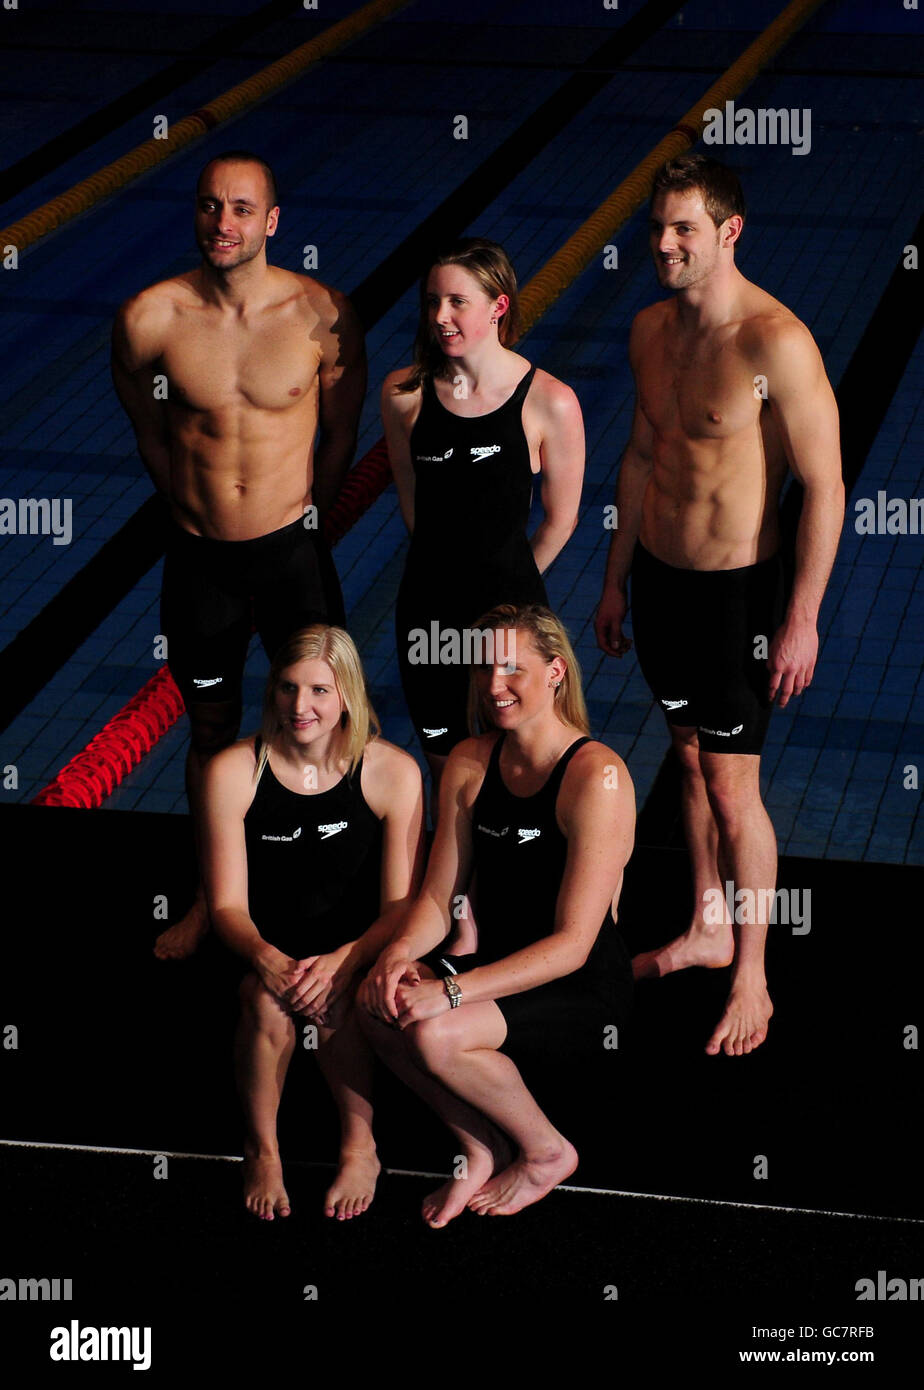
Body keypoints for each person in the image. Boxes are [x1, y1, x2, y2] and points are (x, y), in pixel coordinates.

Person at [595, 154, 844, 1057]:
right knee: (690, 762)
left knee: (736, 794)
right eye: (658, 227)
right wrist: (617, 576)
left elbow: (826, 486)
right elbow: (637, 456)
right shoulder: (650, 331)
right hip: (660, 583)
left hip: (739, 597)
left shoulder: (775, 342)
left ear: (729, 232)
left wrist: (802, 618)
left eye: (683, 230)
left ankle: (753, 975)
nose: (664, 244)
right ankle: (706, 924)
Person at [111, 150, 366, 959]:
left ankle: (335, 889)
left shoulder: (322, 314)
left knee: (325, 724)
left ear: (273, 220)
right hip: (200, 563)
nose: (224, 224)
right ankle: (213, 896)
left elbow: (341, 432)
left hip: (293, 554)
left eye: (242, 209)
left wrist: (307, 518)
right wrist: (189, 507)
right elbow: (150, 432)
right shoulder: (151, 319)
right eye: (210, 206)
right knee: (212, 733)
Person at [359, 604, 634, 1226]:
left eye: (513, 668)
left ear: (556, 672)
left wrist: (450, 992)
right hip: (495, 964)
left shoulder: (598, 776)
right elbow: (437, 898)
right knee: (376, 1005)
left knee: (434, 1031)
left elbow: (572, 945)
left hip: (580, 984)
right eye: (484, 669)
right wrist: (398, 959)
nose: (493, 685)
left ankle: (545, 1151)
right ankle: (481, 1145)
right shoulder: (471, 760)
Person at [201, 625, 425, 1220]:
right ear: (272, 691)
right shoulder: (233, 771)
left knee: (337, 1002)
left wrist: (347, 960)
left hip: (355, 942)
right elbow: (225, 906)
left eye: (320, 691)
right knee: (266, 1002)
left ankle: (360, 1147)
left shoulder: (391, 773)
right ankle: (263, 1150)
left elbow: (401, 907)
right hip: (262, 942)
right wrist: (266, 958)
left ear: (347, 693)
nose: (301, 707)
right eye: (288, 688)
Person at [382, 237, 584, 808]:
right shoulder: (404, 395)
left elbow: (561, 519)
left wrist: (509, 580)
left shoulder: (550, 401)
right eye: (432, 302)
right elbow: (413, 502)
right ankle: (455, 897)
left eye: (456, 302)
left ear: (498, 306)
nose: (439, 317)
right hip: (428, 612)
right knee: (449, 771)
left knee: (517, 766)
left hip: (512, 618)